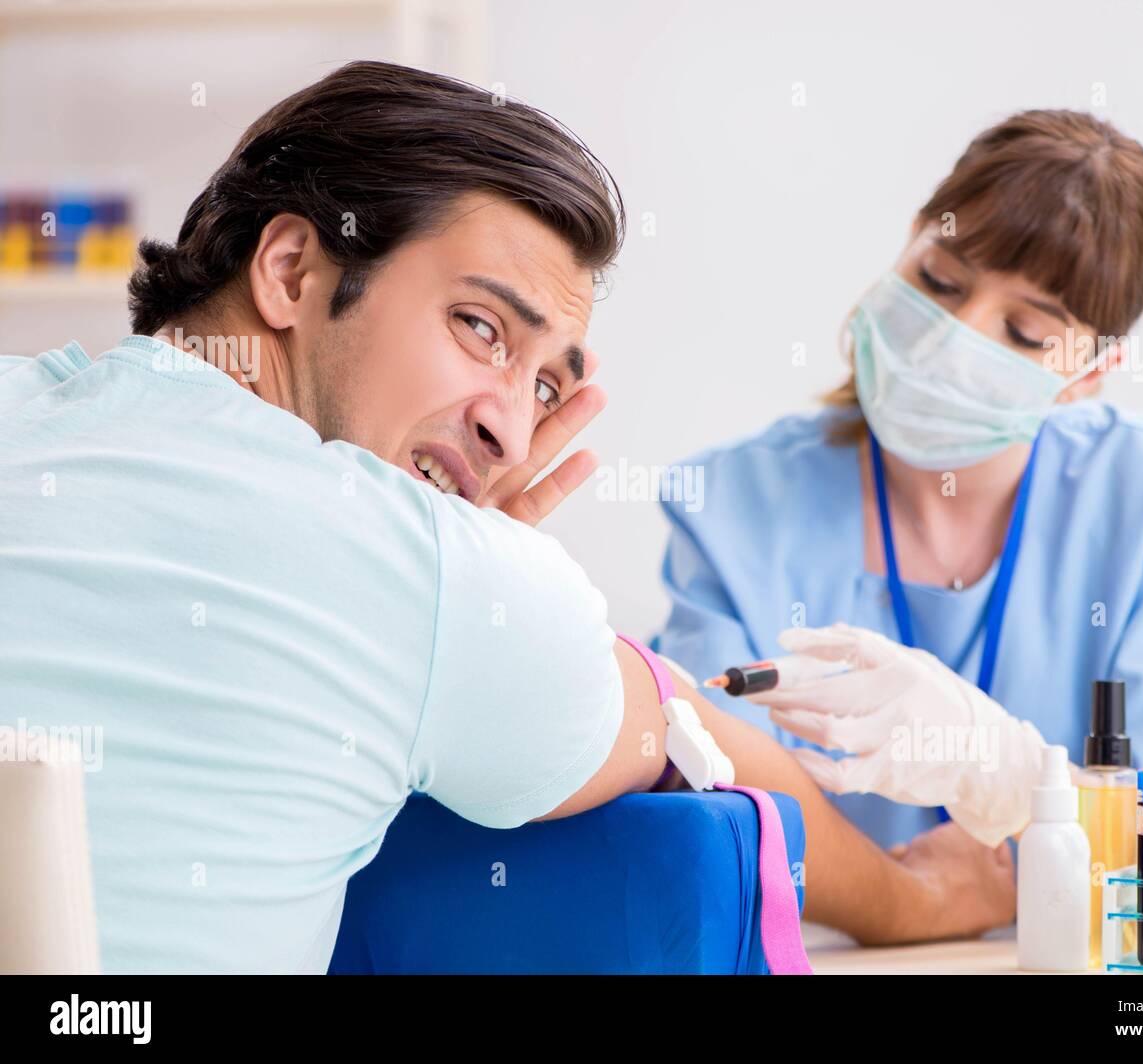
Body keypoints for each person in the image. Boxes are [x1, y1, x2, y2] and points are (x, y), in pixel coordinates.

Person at [0, 62, 1010, 972]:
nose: (510, 436)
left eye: (540, 388)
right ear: (292, 271)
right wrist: (923, 894)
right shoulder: (423, 569)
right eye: (480, 327)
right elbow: (687, 728)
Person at [653, 110, 1143, 851]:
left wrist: (998, 770)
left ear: (1089, 374)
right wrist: (928, 902)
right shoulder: (732, 502)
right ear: (910, 242)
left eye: (1025, 332)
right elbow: (725, 825)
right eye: (939, 280)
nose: (955, 338)